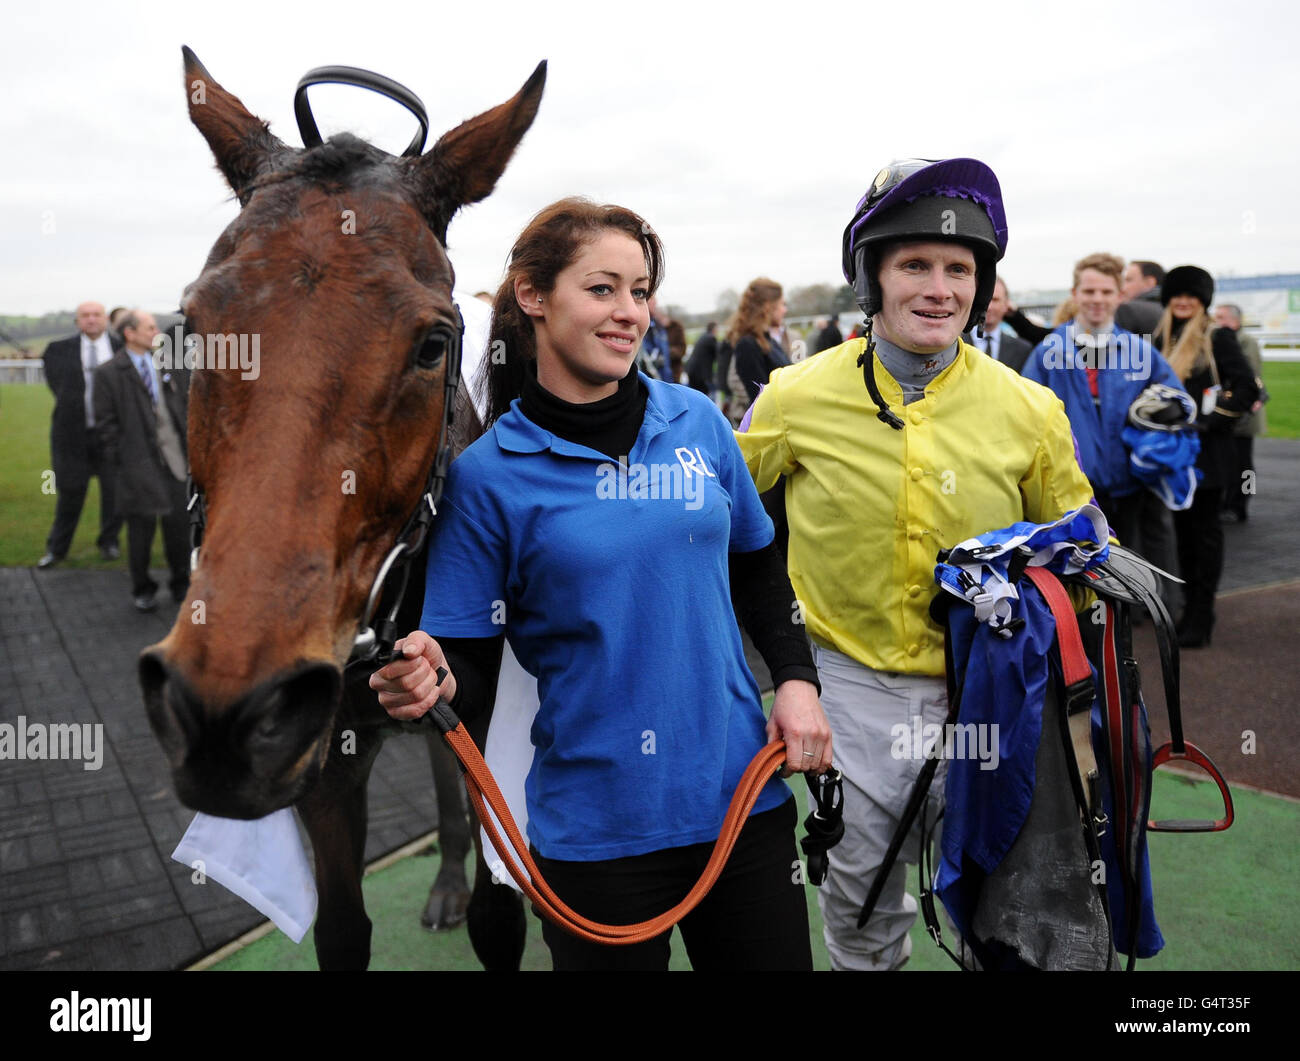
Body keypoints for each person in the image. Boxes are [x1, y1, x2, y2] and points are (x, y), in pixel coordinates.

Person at [368, 198, 831, 971]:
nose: (630, 313)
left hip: (742, 802)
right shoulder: (487, 478)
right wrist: (433, 672)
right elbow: (467, 657)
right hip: (596, 836)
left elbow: (756, 560)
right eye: (603, 289)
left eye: (641, 291)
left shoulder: (698, 423)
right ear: (533, 295)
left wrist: (796, 679)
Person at [735, 158, 1096, 971]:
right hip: (851, 692)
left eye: (959, 270)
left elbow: (1082, 545)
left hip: (996, 692)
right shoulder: (793, 395)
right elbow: (715, 511)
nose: (939, 288)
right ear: (872, 279)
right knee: (862, 915)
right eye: (915, 266)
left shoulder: (1032, 407)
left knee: (1003, 918)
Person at [1022, 253, 1184, 547]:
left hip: (1131, 491)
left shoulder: (1140, 350)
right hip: (1069, 494)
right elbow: (1022, 417)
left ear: (1120, 295)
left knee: (1132, 577)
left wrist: (1156, 420)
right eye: (1089, 291)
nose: (1098, 299)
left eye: (1106, 291)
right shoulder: (1049, 351)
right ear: (1074, 294)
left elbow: (1179, 402)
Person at [1153, 267, 1259, 647]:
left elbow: (1247, 387)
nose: (1183, 301)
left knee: (1205, 536)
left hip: (1209, 456)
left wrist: (1211, 421)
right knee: (1182, 536)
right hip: (1173, 455)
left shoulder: (1217, 338)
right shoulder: (1161, 337)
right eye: (1177, 295)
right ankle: (1188, 610)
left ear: (1202, 301)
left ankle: (1202, 614)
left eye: (1191, 296)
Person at [93, 310, 191, 611]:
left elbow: (181, 409)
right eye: (149, 328)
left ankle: (181, 585)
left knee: (178, 531)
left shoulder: (168, 365)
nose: (155, 333)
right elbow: (105, 425)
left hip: (175, 464)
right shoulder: (109, 373)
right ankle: (143, 589)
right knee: (141, 535)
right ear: (130, 334)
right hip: (137, 467)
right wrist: (123, 459)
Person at [37, 301, 124, 568]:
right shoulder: (57, 350)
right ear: (77, 321)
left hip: (111, 435)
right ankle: (57, 549)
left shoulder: (123, 349)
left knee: (114, 492)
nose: (91, 320)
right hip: (72, 436)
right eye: (85, 316)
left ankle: (109, 542)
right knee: (69, 492)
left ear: (106, 319)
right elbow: (58, 389)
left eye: (96, 314)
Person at [1213, 302, 1265, 522]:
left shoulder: (1245, 341)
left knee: (1245, 466)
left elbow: (1250, 375)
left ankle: (1241, 504)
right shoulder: (1222, 338)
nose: (1217, 322)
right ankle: (1229, 503)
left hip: (1244, 415)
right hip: (1229, 412)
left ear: (1235, 320)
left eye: (1221, 317)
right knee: (1229, 462)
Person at [723, 278, 789, 427]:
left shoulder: (766, 341)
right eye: (781, 304)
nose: (784, 310)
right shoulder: (748, 345)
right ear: (768, 307)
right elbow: (761, 400)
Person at [969, 276, 1032, 373]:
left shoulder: (1022, 349)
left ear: (1007, 304)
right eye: (984, 298)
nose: (989, 307)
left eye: (995, 300)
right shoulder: (952, 344)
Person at [1116, 259, 1165, 337]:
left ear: (1149, 283)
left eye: (1128, 280)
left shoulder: (1127, 309)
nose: (1122, 288)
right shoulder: (1171, 310)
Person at [684, 321, 719, 395]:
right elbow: (718, 355)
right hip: (699, 374)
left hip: (692, 371)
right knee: (703, 397)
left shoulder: (703, 336)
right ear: (714, 329)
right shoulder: (711, 338)